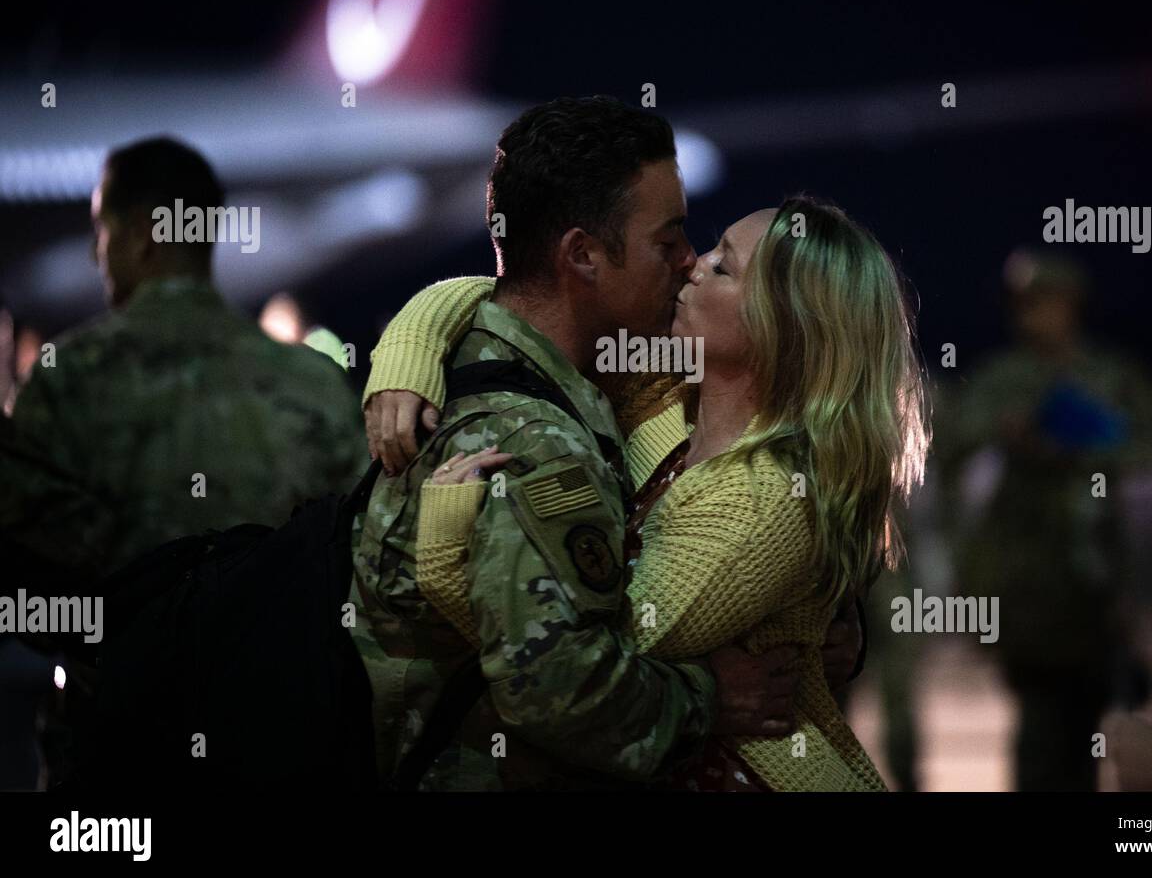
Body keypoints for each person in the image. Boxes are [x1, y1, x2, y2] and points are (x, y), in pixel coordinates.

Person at [365, 196, 928, 790]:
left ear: (781, 325)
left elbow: (568, 663)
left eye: (723, 267)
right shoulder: (665, 397)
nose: (692, 265)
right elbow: (511, 300)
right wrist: (408, 360)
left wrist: (444, 560)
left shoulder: (766, 506)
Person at [351, 97, 805, 790]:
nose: (687, 263)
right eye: (669, 239)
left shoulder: (494, 365)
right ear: (583, 255)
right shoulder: (533, 442)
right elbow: (556, 690)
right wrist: (711, 698)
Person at [8, 136, 367, 580]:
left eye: (102, 228)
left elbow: (25, 547)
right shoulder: (316, 382)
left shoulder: (65, 379)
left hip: (120, 647)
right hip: (281, 643)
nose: (94, 251)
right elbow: (362, 540)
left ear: (141, 236)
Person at [936, 250, 1152, 790]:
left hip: (1096, 573)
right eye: (1023, 303)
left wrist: (1091, 449)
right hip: (1026, 575)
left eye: (1044, 302)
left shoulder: (1106, 373)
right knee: (1040, 726)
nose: (1031, 315)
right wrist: (1005, 432)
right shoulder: (1003, 376)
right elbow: (950, 446)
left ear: (1072, 305)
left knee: (1089, 717)